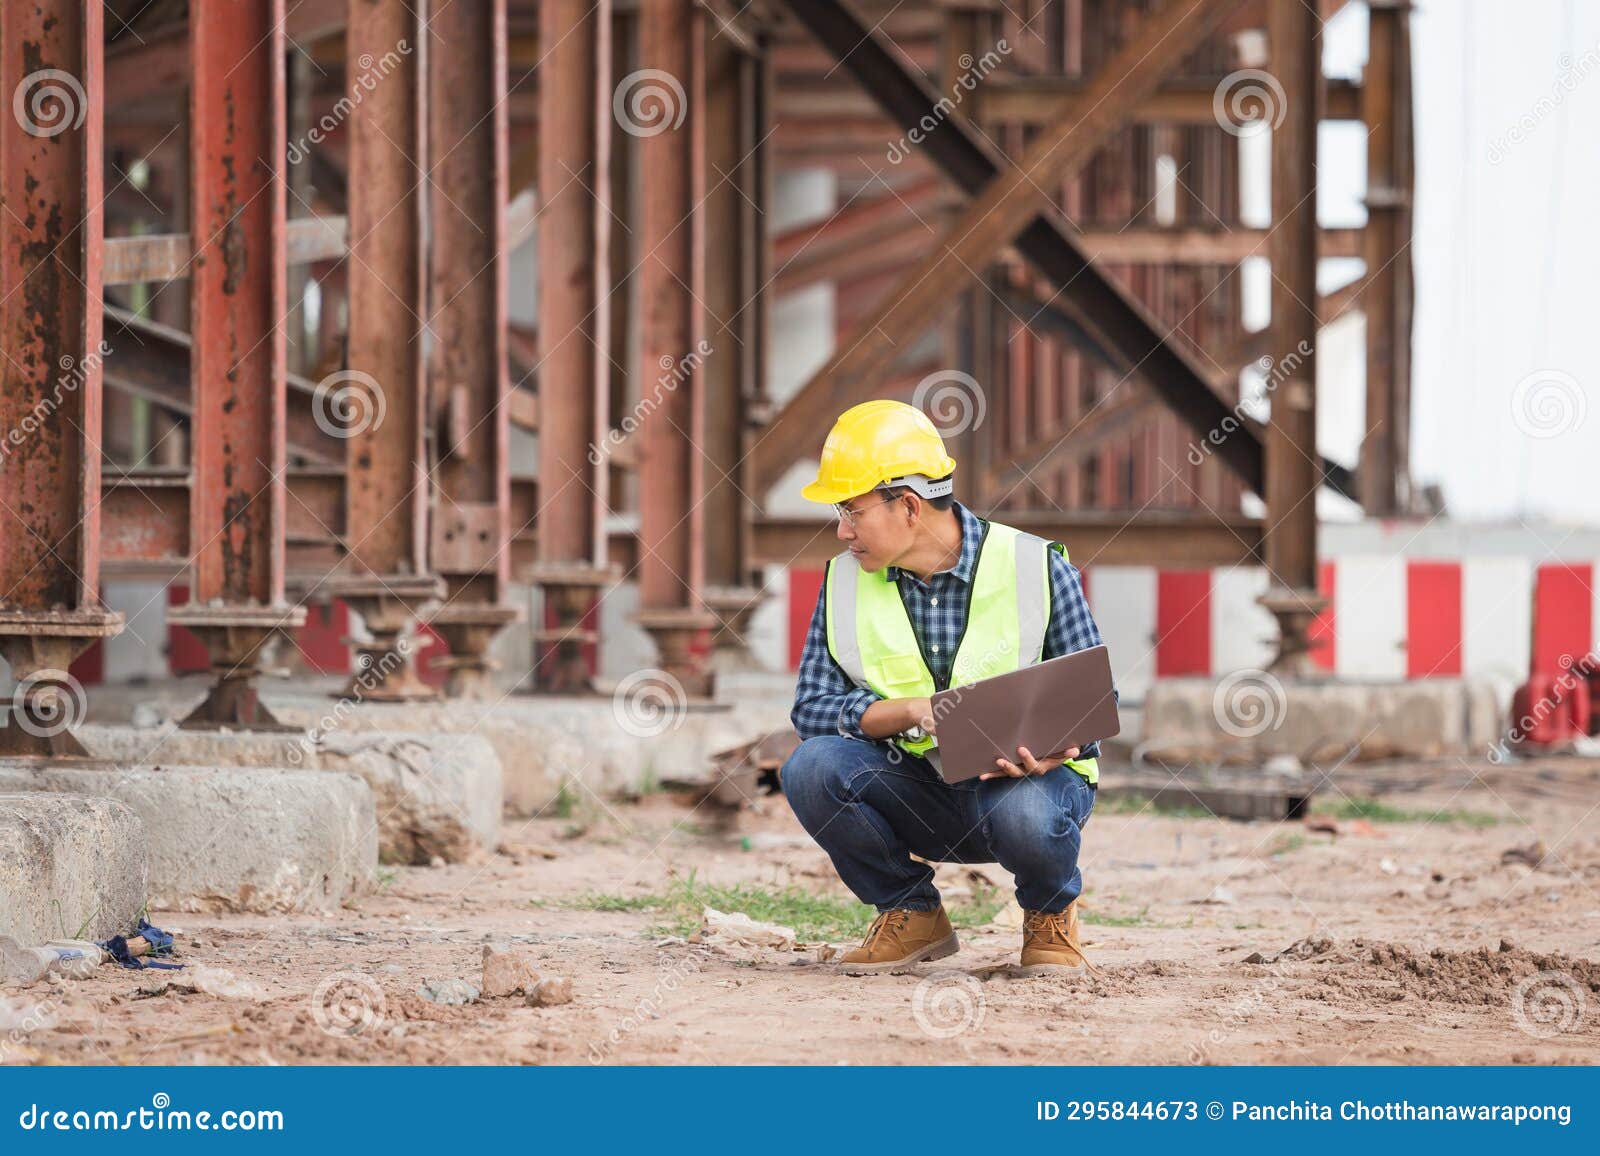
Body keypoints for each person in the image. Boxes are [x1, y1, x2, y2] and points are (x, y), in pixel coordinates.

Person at [781, 399, 1114, 976]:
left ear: (908, 505)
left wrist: (1055, 750)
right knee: (811, 767)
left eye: (851, 510)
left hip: (1021, 794)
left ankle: (1050, 915)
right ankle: (912, 915)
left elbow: (1093, 704)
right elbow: (812, 710)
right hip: (917, 790)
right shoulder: (843, 581)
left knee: (1026, 816)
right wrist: (913, 710)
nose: (842, 530)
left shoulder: (1033, 565)